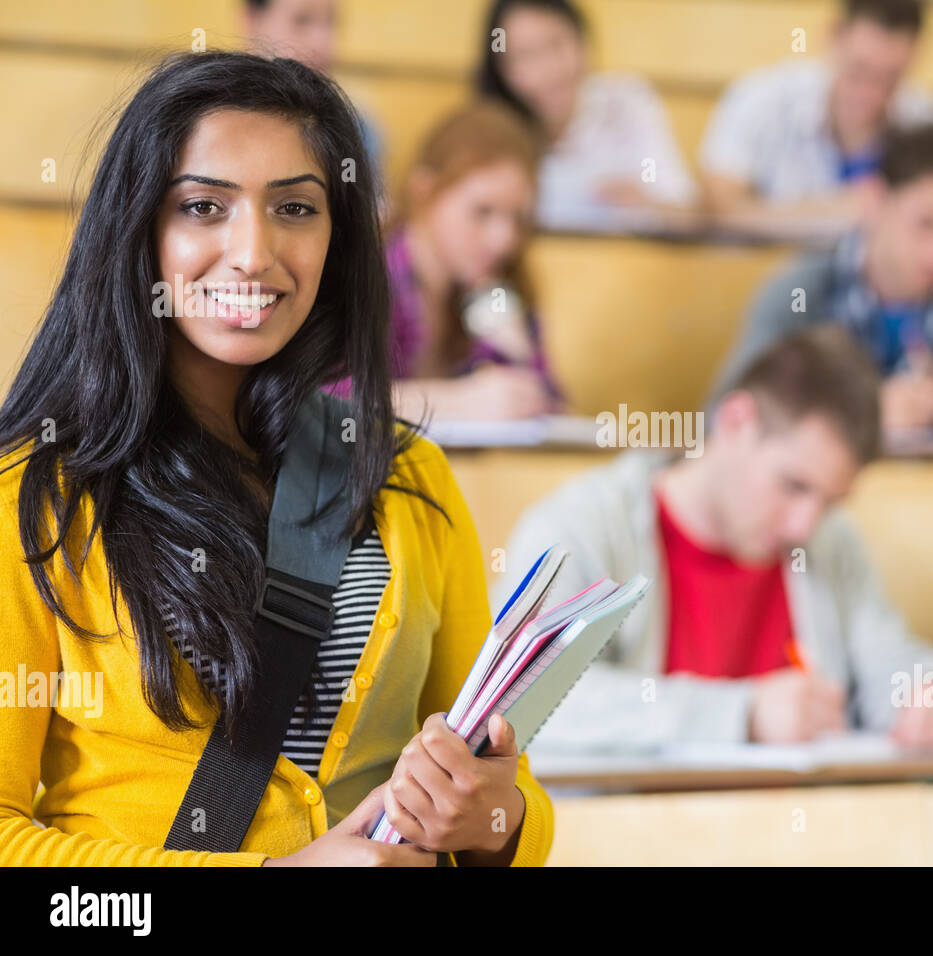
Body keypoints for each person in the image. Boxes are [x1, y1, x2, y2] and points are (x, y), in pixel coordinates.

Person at [0, 51, 552, 866]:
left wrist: (494, 821)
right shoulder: (36, 494)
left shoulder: (407, 474)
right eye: (203, 207)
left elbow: (517, 799)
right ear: (138, 227)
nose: (254, 252)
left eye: (295, 208)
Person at [495, 326, 933, 754]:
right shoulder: (582, 524)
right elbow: (520, 701)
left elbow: (887, 662)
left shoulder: (832, 543)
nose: (804, 525)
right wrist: (743, 715)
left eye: (831, 502)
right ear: (735, 421)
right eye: (794, 486)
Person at [712, 123, 933, 435]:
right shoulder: (799, 292)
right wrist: (863, 421)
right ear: (877, 201)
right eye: (927, 224)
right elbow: (725, 422)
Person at [327, 103, 565, 423]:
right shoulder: (362, 278)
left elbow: (551, 409)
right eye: (482, 212)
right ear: (424, 190)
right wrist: (455, 401)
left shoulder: (497, 286)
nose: (503, 239)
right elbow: (322, 399)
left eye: (518, 218)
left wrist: (521, 355)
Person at [698, 0, 933, 238]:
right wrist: (832, 212)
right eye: (859, 70)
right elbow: (719, 207)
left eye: (891, 79)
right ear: (835, 36)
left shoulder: (932, 124)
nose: (871, 95)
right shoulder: (762, 100)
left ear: (916, 54)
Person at [475, 0, 699, 230]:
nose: (549, 70)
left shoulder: (627, 105)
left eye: (556, 45)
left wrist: (646, 205)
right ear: (501, 70)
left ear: (582, 41)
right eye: (525, 56)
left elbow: (686, 213)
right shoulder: (490, 128)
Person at [241, 0, 385, 183]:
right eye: (302, 20)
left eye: (331, 22)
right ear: (252, 20)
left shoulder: (359, 126)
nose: (322, 42)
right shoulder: (213, 115)